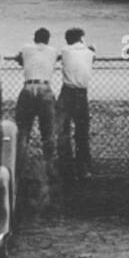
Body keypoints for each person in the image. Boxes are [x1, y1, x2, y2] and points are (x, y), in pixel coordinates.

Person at [11, 30, 58, 174]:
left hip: (28, 87)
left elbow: (19, 59)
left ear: (34, 38)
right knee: (48, 131)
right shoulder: (53, 51)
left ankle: (19, 168)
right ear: (48, 40)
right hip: (45, 87)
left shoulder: (26, 49)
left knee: (23, 131)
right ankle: (49, 167)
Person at [57, 28, 94, 182]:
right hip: (81, 93)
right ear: (81, 38)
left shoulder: (65, 51)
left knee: (63, 131)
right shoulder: (89, 53)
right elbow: (89, 51)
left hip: (66, 92)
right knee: (82, 132)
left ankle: (66, 167)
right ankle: (83, 167)